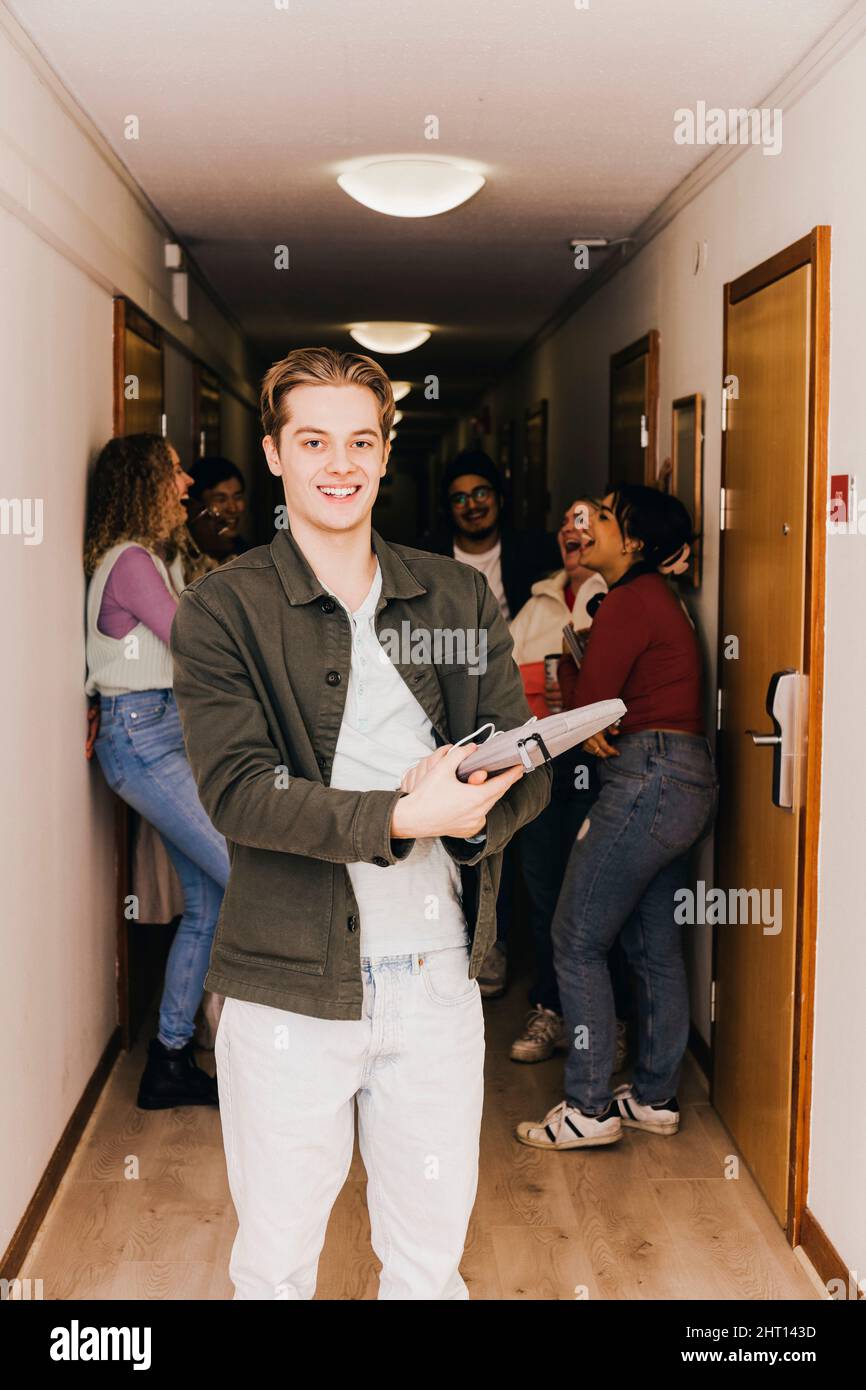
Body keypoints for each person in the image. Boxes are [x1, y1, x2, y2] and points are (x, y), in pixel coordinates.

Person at [169, 347, 551, 1299]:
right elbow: (240, 791)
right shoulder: (222, 609)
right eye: (312, 441)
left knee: (429, 1265)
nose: (337, 464)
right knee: (276, 1266)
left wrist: (465, 816)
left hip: (435, 983)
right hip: (285, 989)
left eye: (358, 441)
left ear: (386, 454)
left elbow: (527, 777)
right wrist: (403, 810)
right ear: (273, 453)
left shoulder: (457, 597)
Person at [516, 484, 717, 1151]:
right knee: (653, 944)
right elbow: (599, 714)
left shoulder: (630, 602)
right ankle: (654, 1096)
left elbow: (588, 706)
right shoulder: (657, 599)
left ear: (632, 541)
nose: (586, 522)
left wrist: (580, 684)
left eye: (602, 516)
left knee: (575, 938)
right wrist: (597, 710)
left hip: (645, 778)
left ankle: (589, 1106)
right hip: (683, 779)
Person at [83, 433, 230, 1108]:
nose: (186, 485)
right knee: (247, 874)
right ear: (146, 481)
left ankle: (169, 1060)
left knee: (208, 901)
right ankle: (253, 1047)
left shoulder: (150, 560)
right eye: (174, 472)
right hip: (142, 738)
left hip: (159, 730)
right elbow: (194, 646)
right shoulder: (133, 561)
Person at [422, 449, 560, 998]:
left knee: (533, 834)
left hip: (525, 710)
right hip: (454, 715)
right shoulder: (428, 559)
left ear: (499, 499)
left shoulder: (535, 552)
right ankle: (490, 947)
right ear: (448, 508)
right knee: (472, 827)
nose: (472, 505)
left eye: (481, 493)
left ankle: (537, 967)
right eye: (460, 497)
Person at [185, 455, 251, 561]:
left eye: (237, 497)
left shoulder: (248, 557)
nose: (232, 508)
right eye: (221, 499)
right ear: (196, 506)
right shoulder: (182, 558)